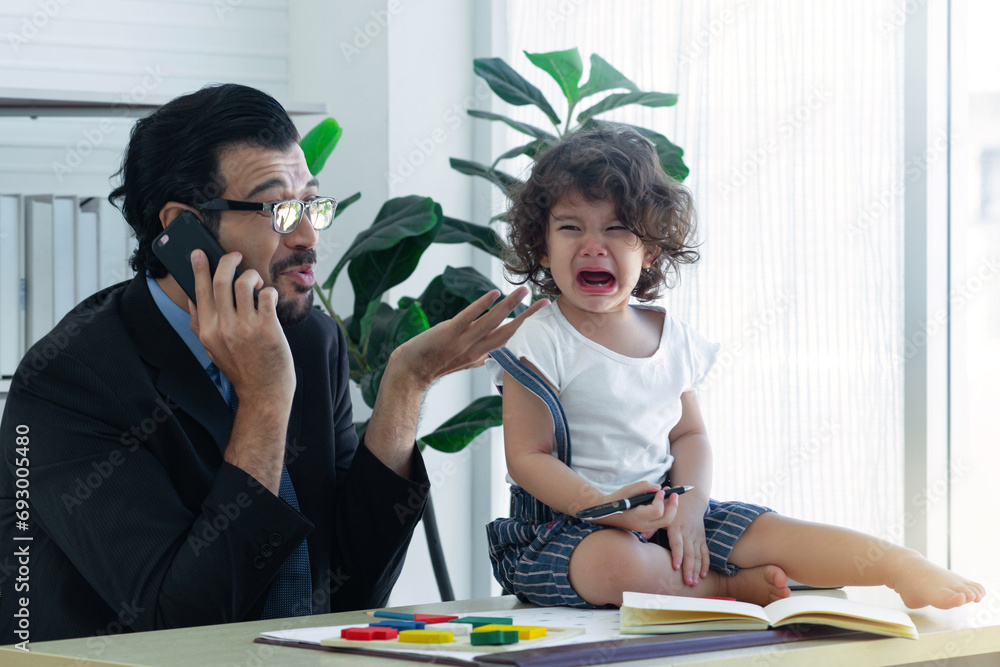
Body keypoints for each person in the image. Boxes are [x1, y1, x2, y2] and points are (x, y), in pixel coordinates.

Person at [0, 83, 545, 643]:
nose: (309, 234)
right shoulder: (73, 379)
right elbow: (181, 629)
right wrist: (263, 400)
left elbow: (349, 594)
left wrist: (405, 386)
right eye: (280, 209)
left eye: (311, 203)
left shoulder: (309, 338)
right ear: (183, 226)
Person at [484, 124, 984, 611]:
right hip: (561, 531)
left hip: (668, 512)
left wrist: (694, 509)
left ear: (651, 249)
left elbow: (690, 437)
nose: (594, 245)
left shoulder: (670, 337)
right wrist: (603, 505)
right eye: (571, 228)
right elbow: (527, 456)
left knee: (771, 532)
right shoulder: (540, 339)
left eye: (617, 228)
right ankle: (727, 588)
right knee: (614, 564)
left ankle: (897, 567)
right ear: (544, 249)